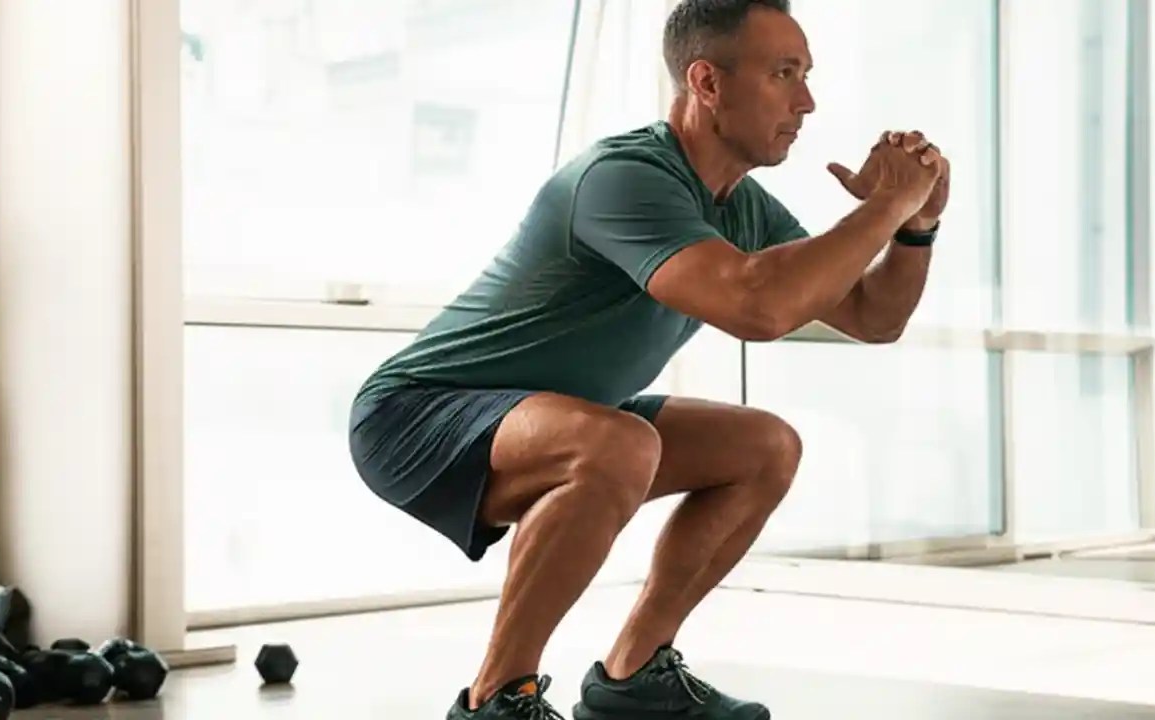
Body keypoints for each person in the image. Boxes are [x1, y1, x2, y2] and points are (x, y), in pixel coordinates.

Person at [348, 0, 949, 717]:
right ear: (707, 82)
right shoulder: (625, 177)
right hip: (419, 412)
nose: (807, 101)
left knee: (764, 447)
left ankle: (634, 678)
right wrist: (881, 208)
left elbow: (874, 317)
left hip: (565, 416)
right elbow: (758, 307)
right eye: (783, 73)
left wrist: (915, 225)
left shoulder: (743, 207)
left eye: (807, 75)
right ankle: (496, 699)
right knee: (616, 444)